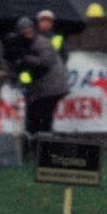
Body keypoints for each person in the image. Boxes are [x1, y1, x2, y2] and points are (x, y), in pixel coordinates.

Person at [11, 15, 69, 156]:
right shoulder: (26, 44)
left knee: (42, 118)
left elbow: (46, 62)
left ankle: (43, 151)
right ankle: (36, 150)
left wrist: (25, 58)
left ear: (33, 28)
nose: (26, 31)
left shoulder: (41, 42)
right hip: (40, 88)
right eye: (23, 29)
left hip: (52, 87)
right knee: (35, 119)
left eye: (29, 28)